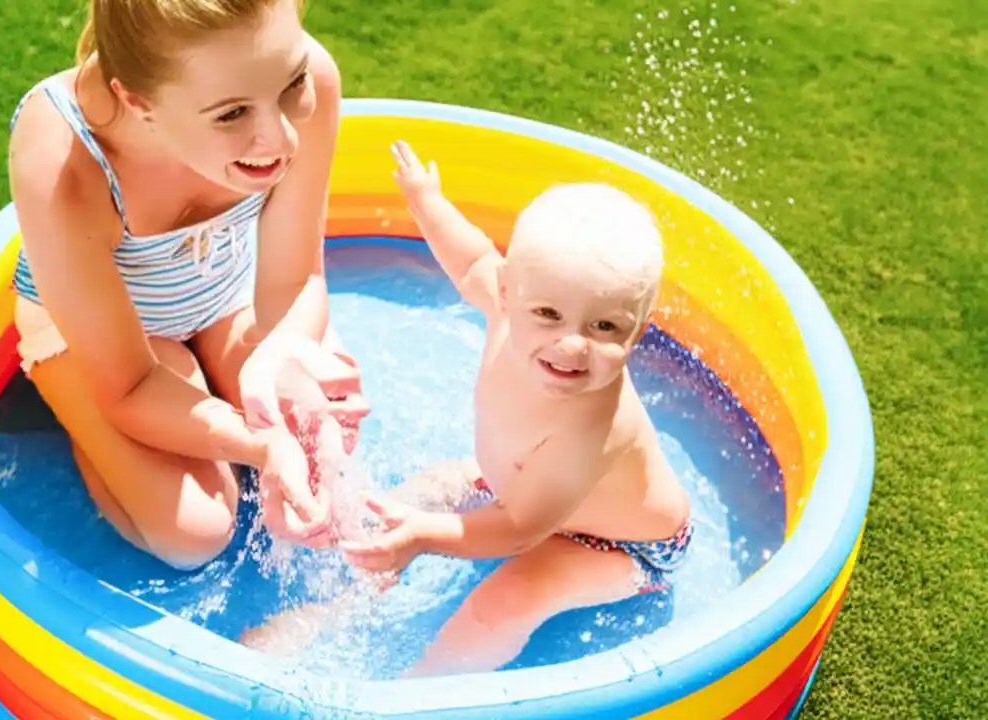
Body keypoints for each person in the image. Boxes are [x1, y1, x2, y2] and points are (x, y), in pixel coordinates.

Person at [241, 142, 693, 676]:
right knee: (428, 491)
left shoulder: (595, 421)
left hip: (620, 546)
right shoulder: (504, 305)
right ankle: (338, 603)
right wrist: (426, 202)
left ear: (638, 331)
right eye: (549, 314)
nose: (572, 345)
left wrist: (426, 536)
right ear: (506, 292)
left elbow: (519, 527)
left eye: (605, 327)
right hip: (523, 493)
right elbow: (472, 258)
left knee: (508, 598)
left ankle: (416, 699)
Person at [5, 0, 368, 571]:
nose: (279, 137)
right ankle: (87, 432)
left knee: (326, 446)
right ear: (137, 102)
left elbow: (296, 280)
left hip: (225, 288)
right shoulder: (66, 160)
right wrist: (259, 443)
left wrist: (286, 362)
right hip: (106, 341)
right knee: (195, 533)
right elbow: (129, 385)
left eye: (290, 81)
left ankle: (206, 383)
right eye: (230, 115)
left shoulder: (308, 84)